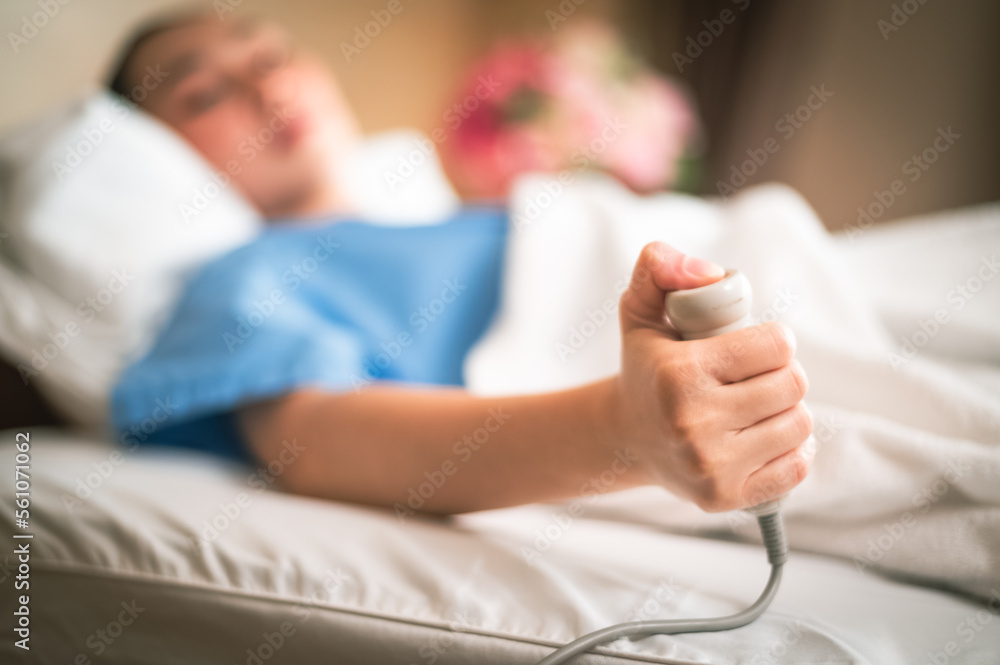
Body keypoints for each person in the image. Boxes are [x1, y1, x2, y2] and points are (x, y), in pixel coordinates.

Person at [108, 11, 814, 517]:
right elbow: (319, 441)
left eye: (269, 57)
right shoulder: (244, 276)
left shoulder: (461, 215)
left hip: (773, 248)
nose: (268, 91)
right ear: (150, 152)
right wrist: (628, 433)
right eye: (203, 93)